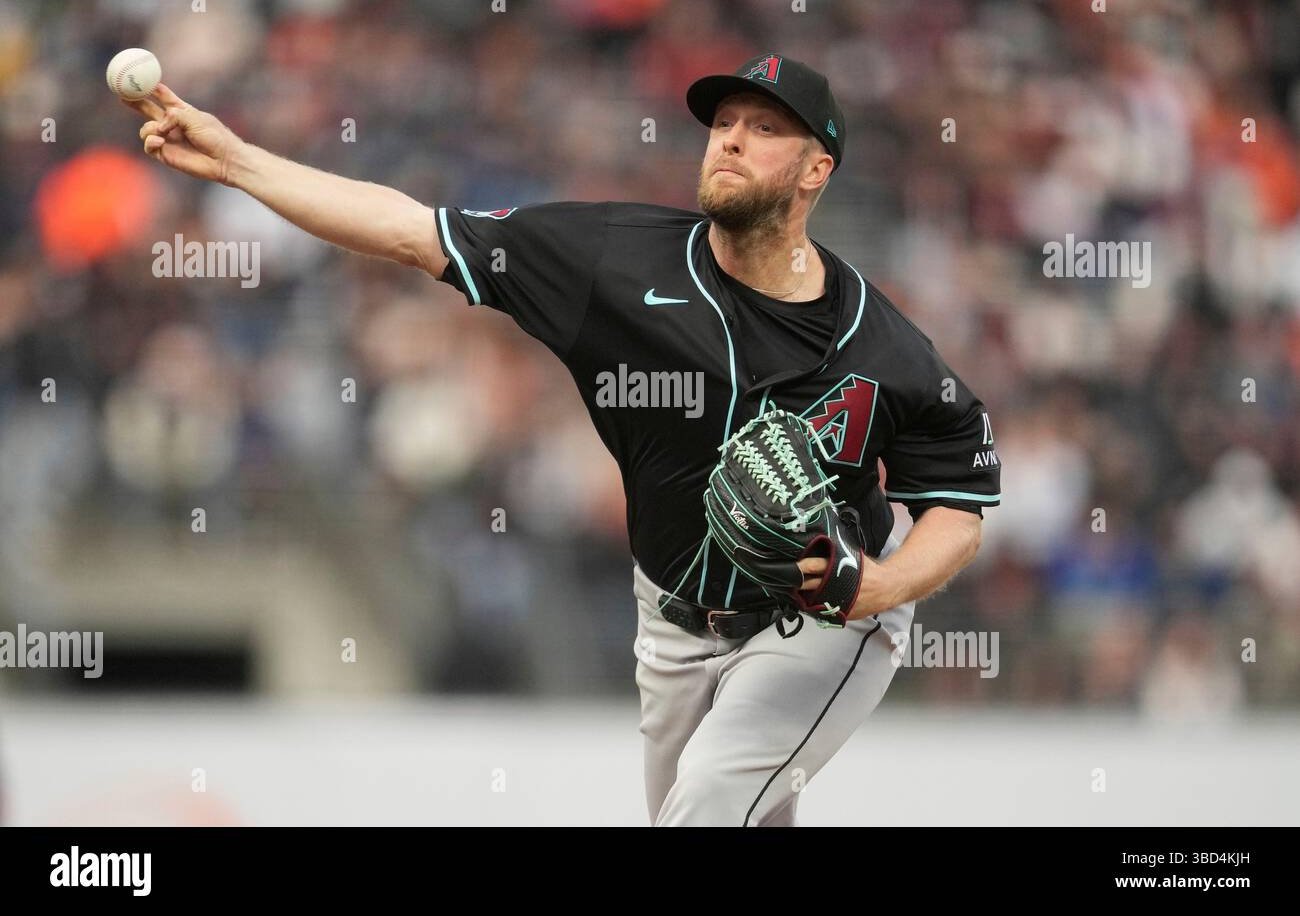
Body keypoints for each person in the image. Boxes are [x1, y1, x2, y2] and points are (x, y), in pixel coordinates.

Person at [122, 52, 1000, 826]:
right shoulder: (611, 261)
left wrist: (880, 584)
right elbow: (404, 228)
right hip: (673, 619)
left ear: (816, 171)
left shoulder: (885, 349)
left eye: (764, 129)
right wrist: (237, 161)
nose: (729, 139)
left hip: (822, 621)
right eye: (722, 121)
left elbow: (958, 502)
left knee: (705, 808)